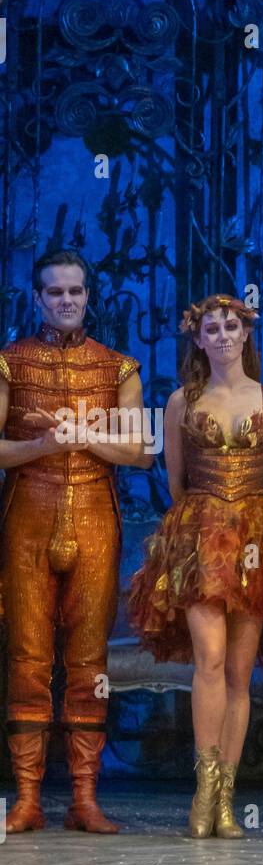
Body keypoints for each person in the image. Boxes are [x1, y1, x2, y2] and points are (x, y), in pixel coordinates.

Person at [127, 295, 263, 838]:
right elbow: (177, 481)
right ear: (199, 338)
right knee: (207, 659)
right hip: (200, 534)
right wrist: (204, 520)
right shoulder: (182, 401)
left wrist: (246, 517)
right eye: (213, 327)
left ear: (246, 333)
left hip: (256, 535)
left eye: (233, 325)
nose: (224, 334)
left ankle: (226, 799)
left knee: (238, 671)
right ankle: (202, 794)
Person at [0, 249, 147, 833]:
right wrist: (42, 447)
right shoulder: (10, 363)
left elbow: (138, 451)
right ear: (37, 298)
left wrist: (82, 436)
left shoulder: (118, 368)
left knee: (89, 658)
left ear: (89, 297)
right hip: (28, 510)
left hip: (94, 512)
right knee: (28, 655)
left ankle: (85, 797)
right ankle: (28, 797)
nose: (66, 301)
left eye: (75, 292)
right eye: (55, 292)